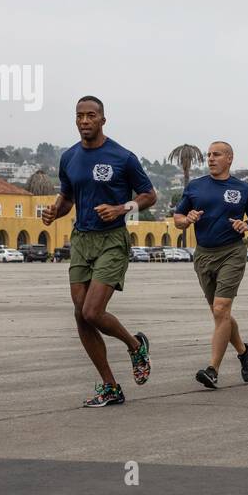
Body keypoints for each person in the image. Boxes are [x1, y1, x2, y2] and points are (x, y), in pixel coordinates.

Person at [41, 95, 156, 407]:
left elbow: (149, 195)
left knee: (93, 311)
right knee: (81, 315)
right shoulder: (69, 158)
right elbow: (67, 198)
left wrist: (122, 208)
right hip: (81, 239)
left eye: (91, 115)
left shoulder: (123, 157)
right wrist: (54, 212)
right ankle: (110, 386)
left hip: (112, 240)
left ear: (103, 119)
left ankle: (135, 346)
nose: (84, 121)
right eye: (80, 116)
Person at [173, 141, 248, 389]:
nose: (211, 158)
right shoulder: (195, 187)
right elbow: (178, 218)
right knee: (219, 312)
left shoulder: (243, 188)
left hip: (232, 252)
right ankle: (244, 351)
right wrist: (186, 219)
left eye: (217, 154)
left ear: (230, 159)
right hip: (203, 255)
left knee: (221, 308)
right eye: (209, 155)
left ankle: (212, 369)